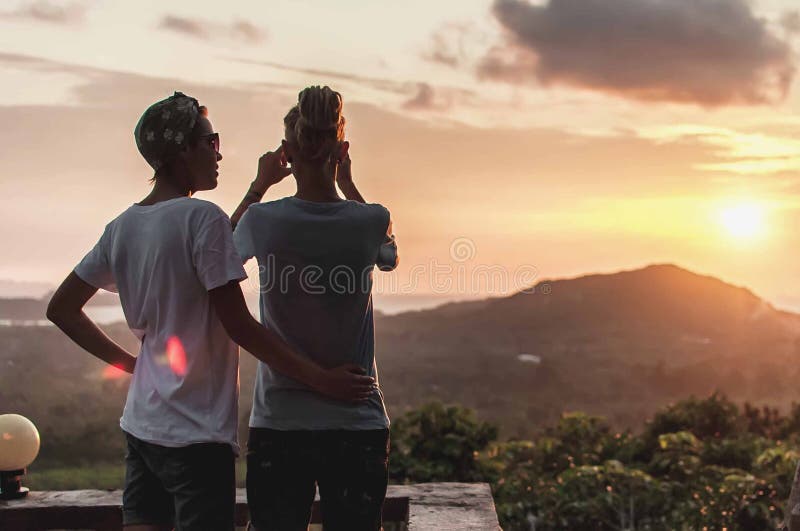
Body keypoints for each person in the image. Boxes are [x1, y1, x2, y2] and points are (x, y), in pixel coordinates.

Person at [46, 92, 375, 531]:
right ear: (183, 149)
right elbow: (240, 326)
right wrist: (322, 379)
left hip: (141, 426)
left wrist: (134, 365)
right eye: (210, 141)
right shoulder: (203, 218)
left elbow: (62, 309)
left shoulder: (122, 227)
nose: (218, 151)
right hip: (197, 436)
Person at [231, 85, 398, 531]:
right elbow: (389, 256)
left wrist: (258, 186)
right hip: (357, 420)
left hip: (281, 421)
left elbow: (215, 259)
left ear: (287, 152)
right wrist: (350, 186)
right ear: (341, 150)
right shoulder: (371, 219)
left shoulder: (262, 220)